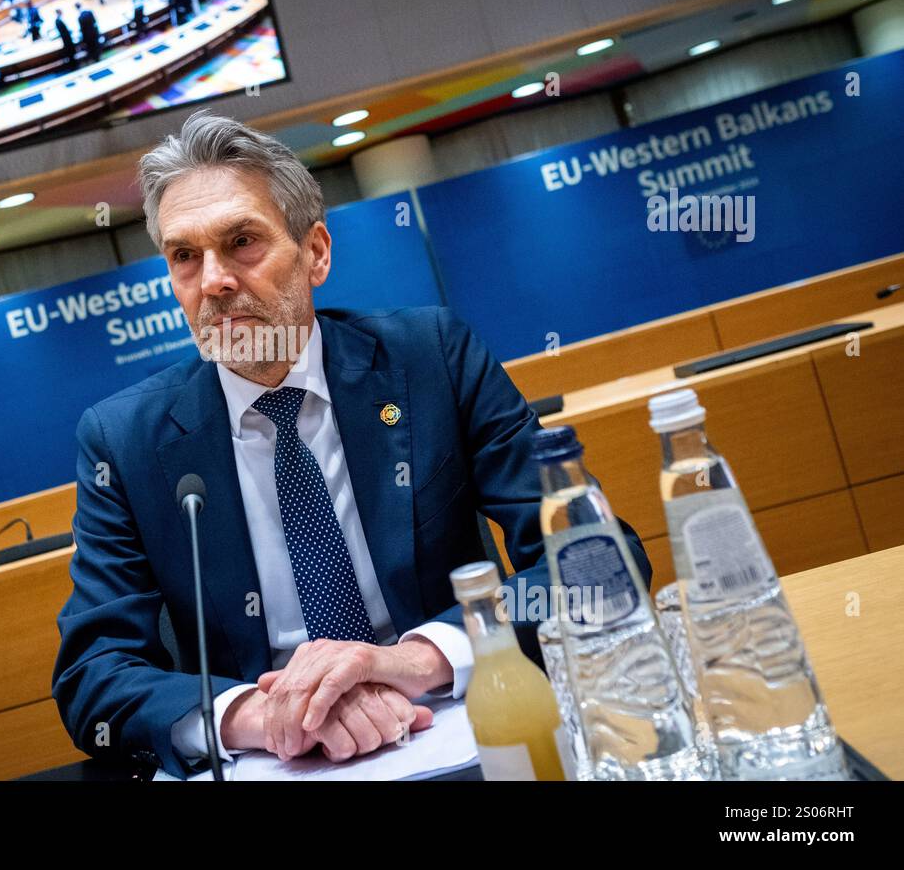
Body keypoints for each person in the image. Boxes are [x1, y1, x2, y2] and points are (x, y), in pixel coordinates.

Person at [51, 111, 653, 778]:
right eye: (184, 256)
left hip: (455, 730)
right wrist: (259, 714)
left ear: (316, 253)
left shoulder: (431, 359)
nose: (214, 281)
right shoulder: (124, 440)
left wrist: (412, 661)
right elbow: (93, 676)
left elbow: (601, 567)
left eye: (242, 241)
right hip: (275, 761)